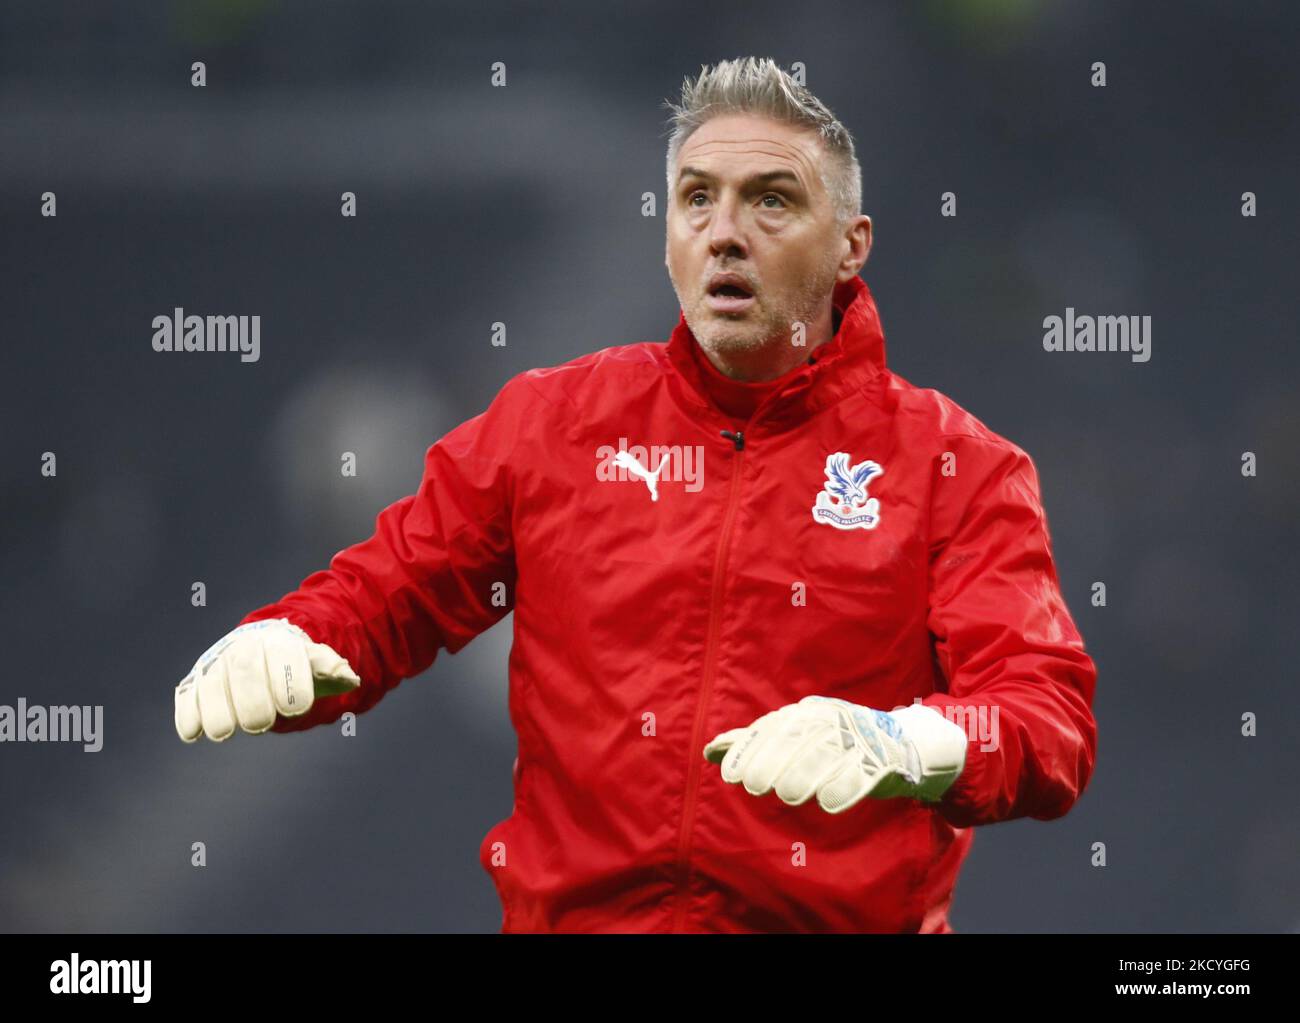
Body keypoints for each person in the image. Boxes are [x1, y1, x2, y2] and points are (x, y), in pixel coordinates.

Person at [173, 56, 1098, 933]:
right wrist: (297, 636)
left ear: (852, 245)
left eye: (771, 200)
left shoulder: (957, 467)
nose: (724, 231)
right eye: (697, 198)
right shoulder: (555, 423)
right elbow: (394, 590)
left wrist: (908, 744)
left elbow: (1046, 723)